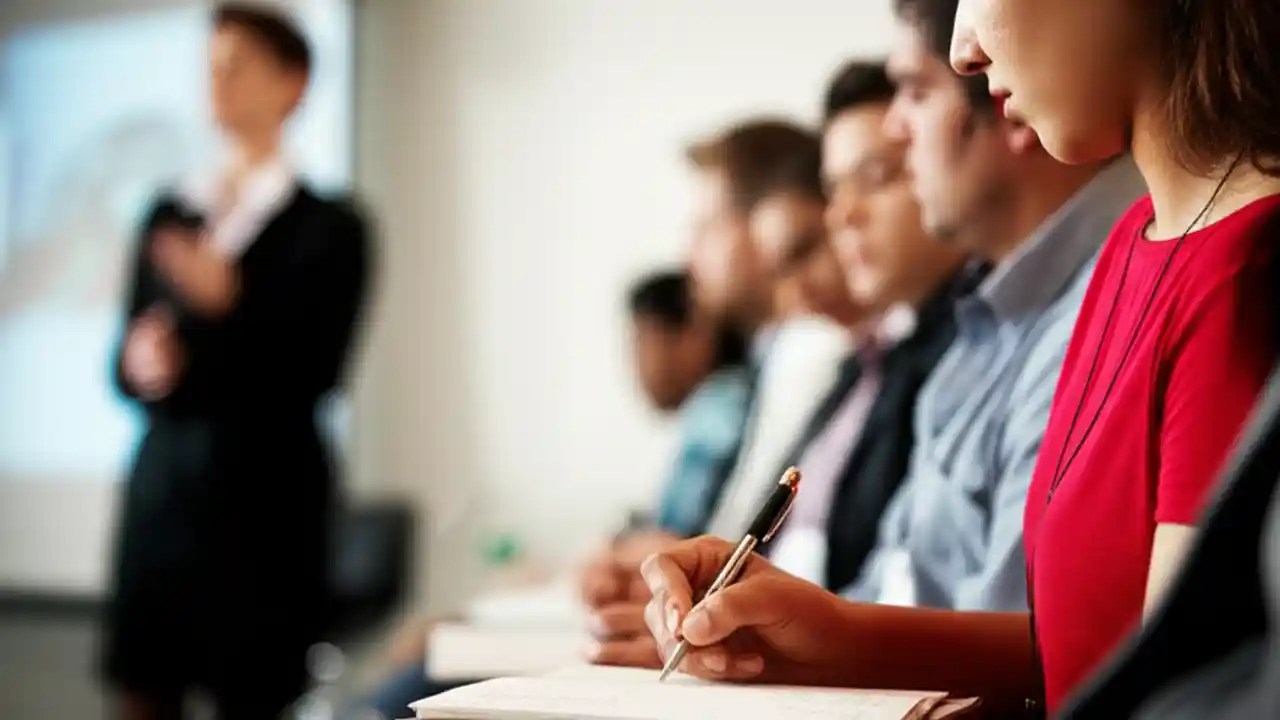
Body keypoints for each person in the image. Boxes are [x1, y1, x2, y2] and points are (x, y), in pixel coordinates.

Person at [641, 0, 1280, 715]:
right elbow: (1077, 644)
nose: (964, 50)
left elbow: (1177, 684)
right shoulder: (1136, 239)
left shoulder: (1246, 268)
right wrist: (828, 634)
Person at [103, 5, 371, 718]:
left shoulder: (331, 227)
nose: (217, 82)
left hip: (266, 518)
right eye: (210, 66)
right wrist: (141, 360)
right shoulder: (170, 210)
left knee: (254, 698)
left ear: (293, 83)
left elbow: (316, 372)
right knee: (143, 695)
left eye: (237, 65)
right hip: (163, 505)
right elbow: (123, 368)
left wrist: (230, 307)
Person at [579, 121, 849, 605]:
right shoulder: (775, 356)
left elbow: (755, 548)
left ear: (759, 226)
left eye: (705, 226)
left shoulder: (814, 349)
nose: (688, 255)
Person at [763, 59, 971, 592]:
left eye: (874, 179)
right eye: (835, 191)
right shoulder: (875, 357)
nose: (842, 216)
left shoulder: (966, 347)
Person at [627, 269, 751, 538]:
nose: (636, 366)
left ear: (694, 335)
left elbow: (677, 534)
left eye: (643, 341)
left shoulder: (719, 409)